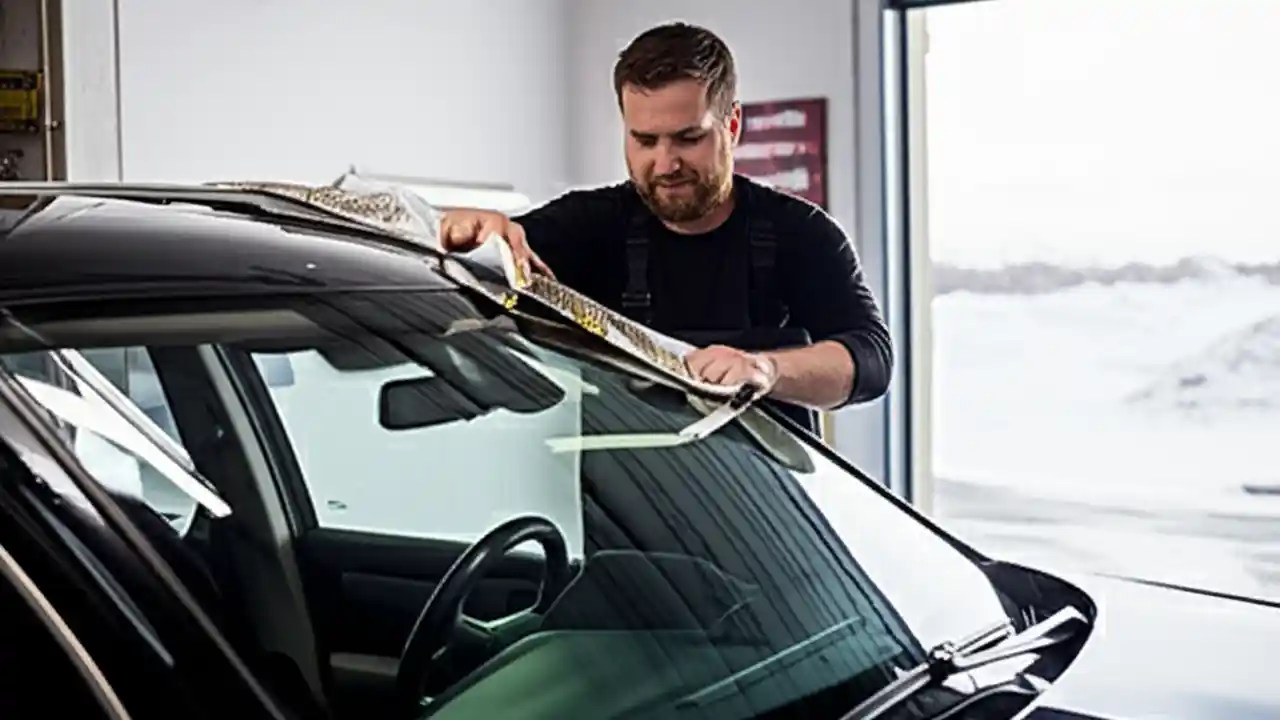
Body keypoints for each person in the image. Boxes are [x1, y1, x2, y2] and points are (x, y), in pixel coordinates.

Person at [437, 21, 893, 432]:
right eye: (645, 140)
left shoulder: (802, 233)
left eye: (688, 138)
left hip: (767, 508)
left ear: (732, 125)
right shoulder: (588, 225)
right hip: (625, 509)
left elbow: (871, 361)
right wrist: (469, 230)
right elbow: (468, 268)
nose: (665, 163)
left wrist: (767, 371)